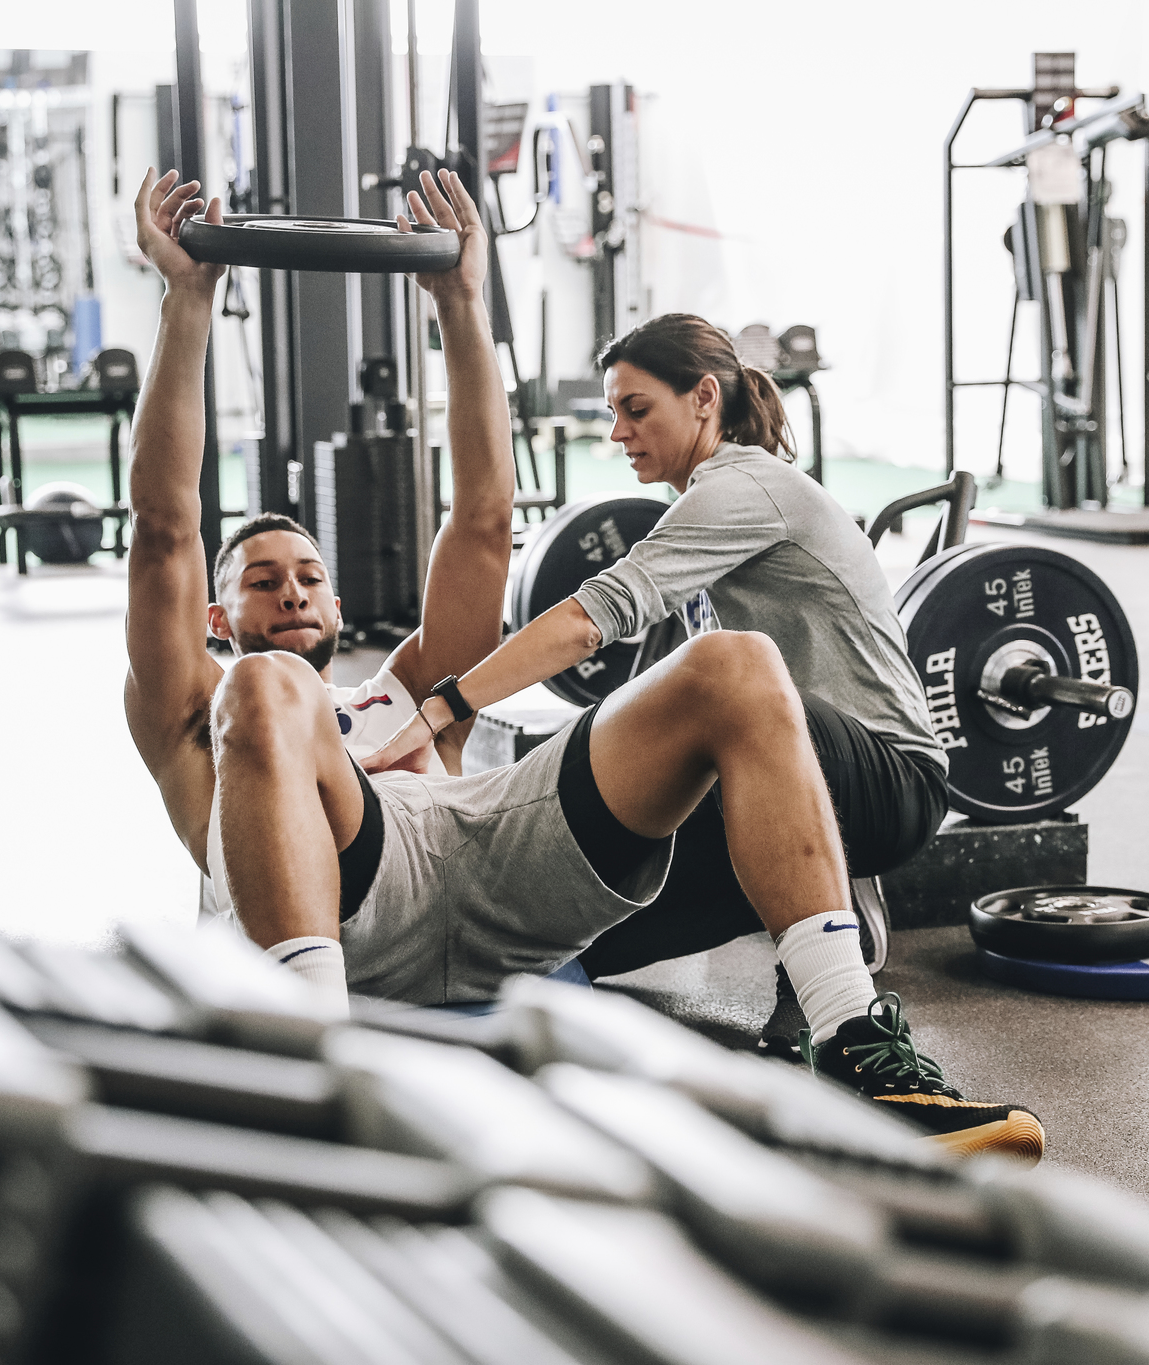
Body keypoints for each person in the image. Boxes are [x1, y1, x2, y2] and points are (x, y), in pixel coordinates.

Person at [121, 168, 1041, 1162]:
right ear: (216, 614)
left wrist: (462, 301)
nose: (293, 591)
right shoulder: (199, 709)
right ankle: (319, 1064)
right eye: (263, 582)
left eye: (308, 574)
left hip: (490, 866)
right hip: (359, 898)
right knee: (273, 688)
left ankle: (855, 1044)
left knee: (732, 664)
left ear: (340, 601)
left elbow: (481, 524)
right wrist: (188, 302)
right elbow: (165, 530)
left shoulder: (404, 686)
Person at [367, 315, 958, 1066]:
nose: (618, 432)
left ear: (704, 397)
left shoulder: (744, 486)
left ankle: (838, 981)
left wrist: (445, 706)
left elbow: (595, 618)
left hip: (886, 779)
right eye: (613, 411)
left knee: (720, 673)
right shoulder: (710, 498)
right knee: (570, 927)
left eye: (635, 408)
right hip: (792, 765)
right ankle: (822, 898)